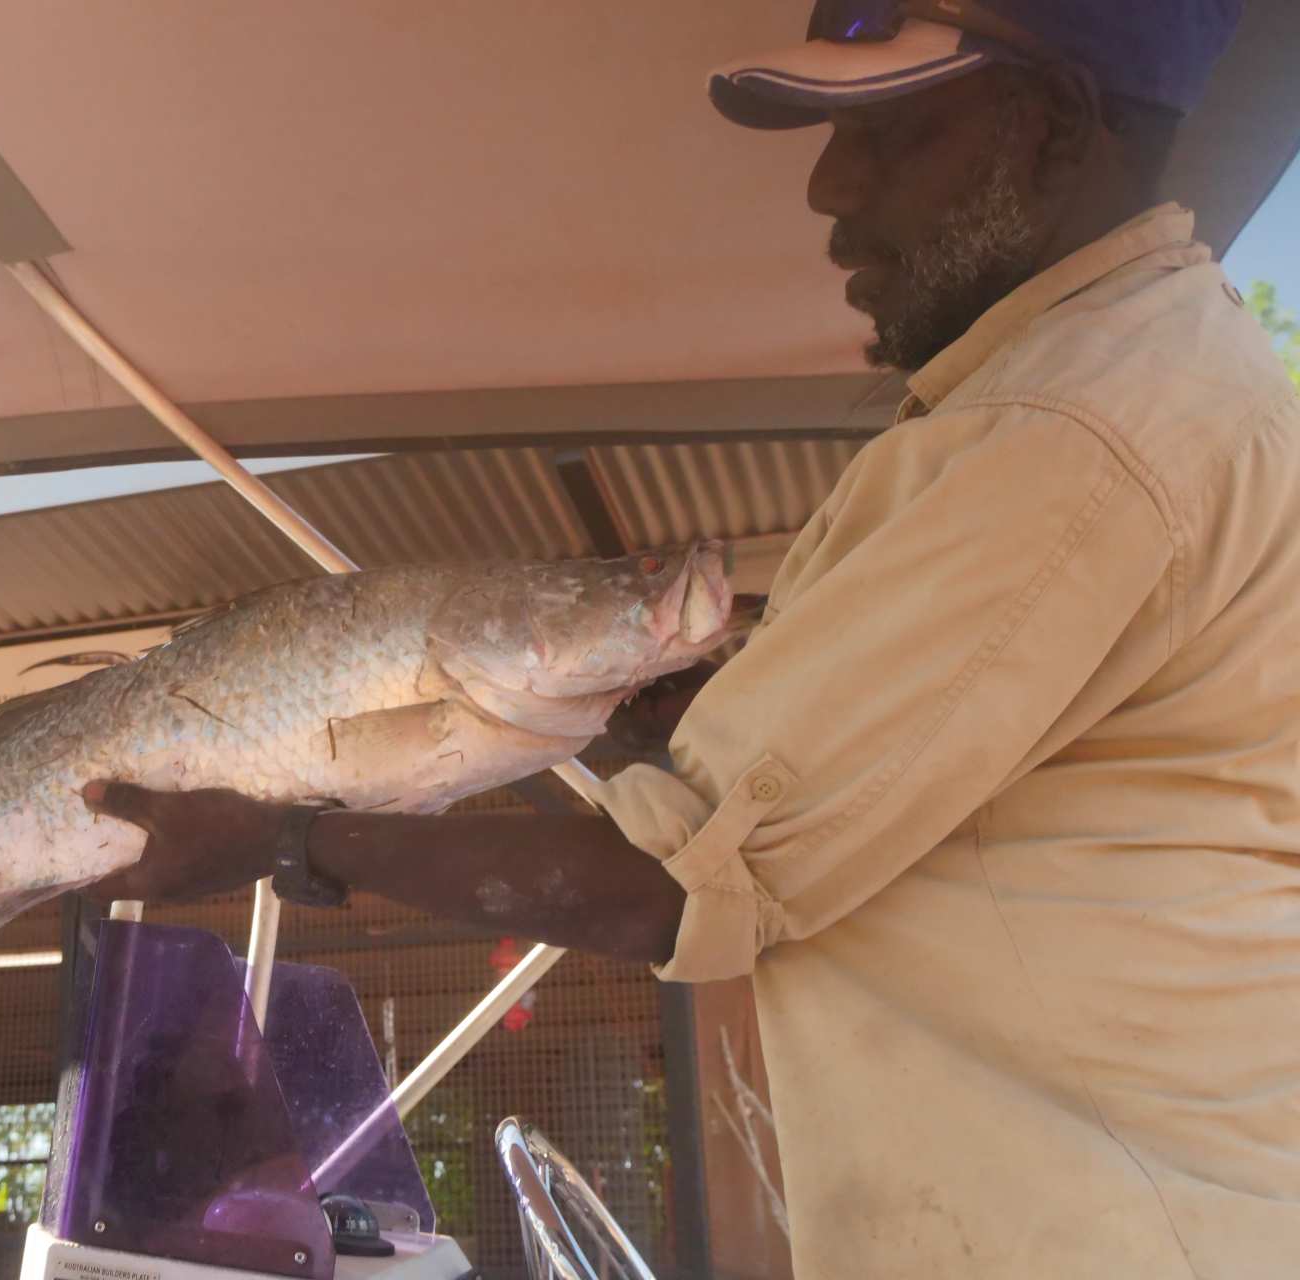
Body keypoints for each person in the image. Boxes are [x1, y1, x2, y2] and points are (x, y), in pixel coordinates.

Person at [82, 2, 1300, 1275]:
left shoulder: (1070, 435)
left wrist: (281, 837)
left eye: (889, 135)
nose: (830, 189)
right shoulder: (1127, 378)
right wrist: (689, 735)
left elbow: (678, 883)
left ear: (1052, 132)